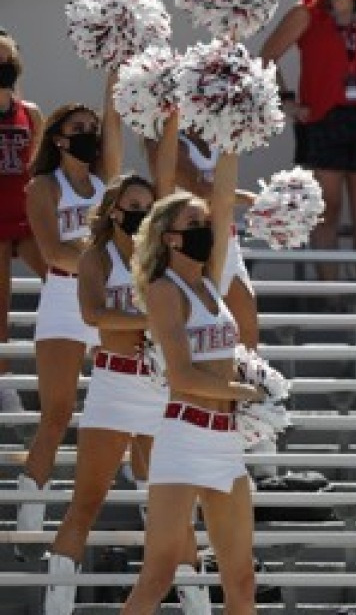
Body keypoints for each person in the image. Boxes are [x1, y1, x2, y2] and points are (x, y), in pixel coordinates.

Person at [44, 147, 209, 613]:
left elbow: (185, 314)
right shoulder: (94, 258)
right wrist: (148, 317)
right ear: (113, 210)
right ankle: (56, 605)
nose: (139, 216)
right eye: (132, 207)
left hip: (159, 389)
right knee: (86, 502)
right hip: (113, 387)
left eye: (147, 208)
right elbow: (93, 314)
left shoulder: (162, 261)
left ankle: (198, 606)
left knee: (176, 509)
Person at [121, 158, 259, 614]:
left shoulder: (211, 282)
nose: (205, 227)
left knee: (241, 579)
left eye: (204, 221)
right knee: (157, 576)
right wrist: (246, 395)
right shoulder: (164, 289)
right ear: (170, 237)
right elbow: (181, 375)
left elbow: (222, 199)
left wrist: (232, 131)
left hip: (225, 442)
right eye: (193, 223)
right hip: (184, 437)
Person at [17, 76, 121, 536]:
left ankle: (146, 505)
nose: (89, 136)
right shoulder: (43, 186)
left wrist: (118, 72)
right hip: (63, 296)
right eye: (79, 128)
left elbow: (116, 119)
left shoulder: (105, 180)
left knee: (125, 411)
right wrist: (100, 255)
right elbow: (54, 252)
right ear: (59, 138)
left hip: (107, 297)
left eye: (92, 129)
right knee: (57, 413)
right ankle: (30, 507)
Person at [260, 0, 356, 294]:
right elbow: (267, 56)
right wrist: (287, 101)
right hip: (323, 119)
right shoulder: (305, 12)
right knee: (327, 212)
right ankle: (330, 297)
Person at [145, 129, 259, 348]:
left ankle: (249, 379)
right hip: (190, 245)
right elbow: (200, 188)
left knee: (247, 333)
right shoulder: (169, 140)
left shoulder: (217, 131)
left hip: (228, 242)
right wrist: (251, 199)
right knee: (196, 333)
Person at [0, 33, 47, 413]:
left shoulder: (29, 112)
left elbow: (41, 168)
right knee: (0, 309)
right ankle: (5, 387)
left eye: (8, 58)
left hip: (27, 218)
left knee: (64, 278)